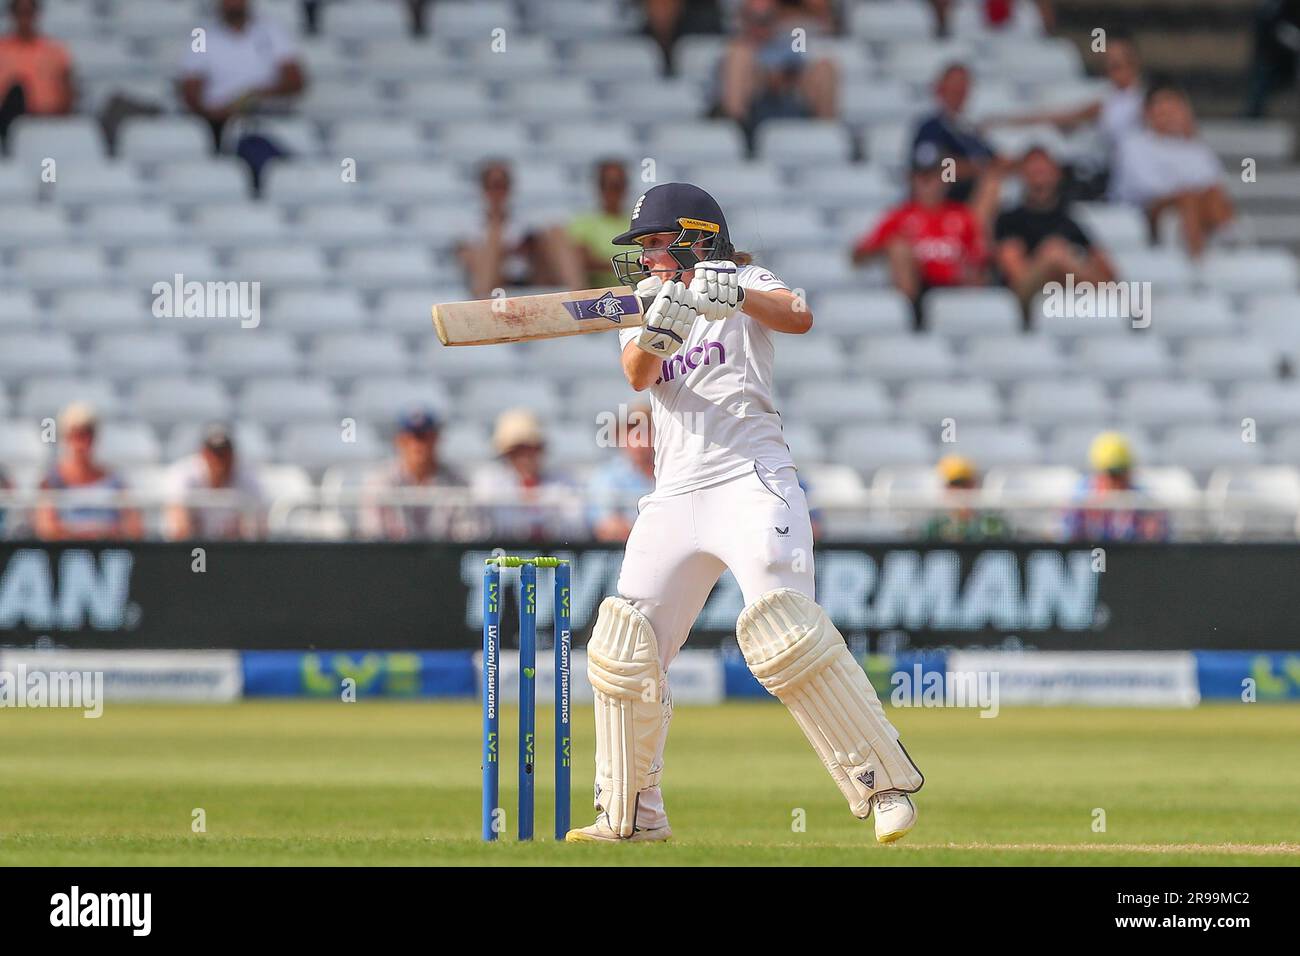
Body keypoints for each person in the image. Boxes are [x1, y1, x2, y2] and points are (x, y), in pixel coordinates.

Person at [566, 182, 923, 846]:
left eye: (656, 243)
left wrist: (732, 295)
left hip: (751, 481)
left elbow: (798, 315)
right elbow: (636, 374)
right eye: (643, 246)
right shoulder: (644, 301)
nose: (647, 257)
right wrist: (660, 328)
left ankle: (884, 786)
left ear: (697, 238)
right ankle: (632, 815)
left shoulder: (748, 280)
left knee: (786, 634)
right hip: (674, 495)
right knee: (624, 649)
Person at [982, 34, 1145, 196]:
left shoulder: (1145, 98)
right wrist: (1005, 121)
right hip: (1107, 170)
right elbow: (1057, 117)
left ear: (1134, 61)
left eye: (1120, 61)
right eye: (1109, 61)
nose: (1113, 66)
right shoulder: (1107, 100)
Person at [851, 153, 993, 327]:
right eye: (922, 177)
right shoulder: (899, 216)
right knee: (898, 248)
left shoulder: (961, 215)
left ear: (943, 180)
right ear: (913, 180)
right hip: (918, 289)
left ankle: (972, 322)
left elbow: (981, 255)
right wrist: (891, 250)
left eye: (933, 177)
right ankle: (911, 320)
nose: (927, 184)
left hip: (955, 288)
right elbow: (859, 254)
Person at [1109, 82, 1235, 258]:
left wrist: (1188, 188)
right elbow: (1146, 187)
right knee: (1187, 198)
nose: (1169, 117)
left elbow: (1214, 181)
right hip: (1144, 211)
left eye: (1174, 111)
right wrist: (1183, 189)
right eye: (1163, 112)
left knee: (1213, 194)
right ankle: (1197, 259)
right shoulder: (1133, 144)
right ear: (1148, 113)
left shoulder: (1194, 147)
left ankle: (1228, 250)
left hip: (1193, 202)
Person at [994, 145, 1116, 308]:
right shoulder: (1010, 220)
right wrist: (1051, 261)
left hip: (1067, 297)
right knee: (1055, 252)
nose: (1039, 178)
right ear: (1023, 175)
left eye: (1043, 171)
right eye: (1034, 172)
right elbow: (1016, 275)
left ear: (1057, 175)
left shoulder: (1070, 222)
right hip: (1028, 299)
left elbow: (1107, 270)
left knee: (1058, 253)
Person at [177, 0, 305, 150]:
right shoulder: (201, 36)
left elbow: (295, 81)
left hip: (268, 115)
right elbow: (190, 88)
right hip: (220, 122)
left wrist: (255, 96)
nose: (233, 3)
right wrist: (214, 114)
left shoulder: (271, 30)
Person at [457, 160, 585, 299]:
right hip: (495, 281)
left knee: (556, 232)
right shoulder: (470, 225)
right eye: (494, 186)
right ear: (484, 189)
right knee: (492, 242)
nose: (498, 192)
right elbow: (468, 260)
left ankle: (579, 297)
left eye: (503, 186)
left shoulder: (523, 219)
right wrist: (501, 246)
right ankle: (483, 299)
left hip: (530, 276)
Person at [718, 0, 838, 131]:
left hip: (788, 101)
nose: (759, 26)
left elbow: (797, 72)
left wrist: (781, 78)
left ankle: (825, 134)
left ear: (775, 20)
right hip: (752, 110)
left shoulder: (787, 45)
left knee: (825, 68)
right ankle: (735, 133)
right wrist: (765, 77)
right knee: (739, 57)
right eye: (754, 18)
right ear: (744, 20)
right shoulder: (734, 49)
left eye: (766, 19)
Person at [359, 408, 473, 541]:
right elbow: (373, 537)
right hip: (393, 554)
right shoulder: (379, 481)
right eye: (412, 437)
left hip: (445, 554)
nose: (418, 445)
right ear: (399, 441)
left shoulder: (458, 482)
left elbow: (467, 534)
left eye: (425, 437)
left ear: (436, 439)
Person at [471, 408, 584, 542]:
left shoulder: (563, 483)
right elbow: (482, 528)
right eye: (518, 449)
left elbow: (575, 527)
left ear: (540, 448)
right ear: (507, 453)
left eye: (531, 447)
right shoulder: (488, 482)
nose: (526, 456)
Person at [34, 403, 142, 541]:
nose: (81, 443)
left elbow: (134, 527)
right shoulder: (51, 480)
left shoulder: (115, 480)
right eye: (75, 435)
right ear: (65, 437)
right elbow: (47, 529)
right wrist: (91, 534)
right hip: (67, 550)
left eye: (86, 435)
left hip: (110, 549)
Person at [911, 62, 999, 202]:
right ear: (940, 89)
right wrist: (976, 168)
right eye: (954, 88)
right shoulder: (930, 128)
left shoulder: (968, 131)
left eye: (963, 88)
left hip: (968, 199)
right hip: (944, 201)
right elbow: (938, 172)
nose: (959, 93)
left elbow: (994, 160)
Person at [1063, 431, 1169, 542]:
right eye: (1111, 474)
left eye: (1121, 473)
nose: (1117, 482)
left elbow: (1160, 535)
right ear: (1098, 473)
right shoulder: (1079, 500)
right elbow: (1067, 537)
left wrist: (1151, 531)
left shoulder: (1142, 501)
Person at [164, 424, 264, 540]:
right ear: (204, 454)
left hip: (232, 548)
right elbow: (178, 529)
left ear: (232, 454)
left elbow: (260, 530)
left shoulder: (248, 477)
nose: (219, 461)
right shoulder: (183, 474)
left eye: (224, 453)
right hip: (195, 549)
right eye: (215, 454)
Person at [0, 0, 74, 146]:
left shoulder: (54, 50)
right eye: (20, 13)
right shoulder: (2, 49)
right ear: (12, 15)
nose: (24, 19)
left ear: (36, 14)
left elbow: (68, 90)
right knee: (16, 92)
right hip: (9, 120)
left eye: (28, 13)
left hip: (46, 118)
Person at [586, 402, 655, 542]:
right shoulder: (606, 476)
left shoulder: (670, 474)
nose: (638, 439)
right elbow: (606, 527)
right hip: (618, 554)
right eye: (632, 431)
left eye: (644, 431)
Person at [567, 160, 631, 289]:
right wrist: (632, 267)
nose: (614, 191)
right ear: (599, 187)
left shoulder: (638, 220)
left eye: (619, 184)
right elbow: (583, 261)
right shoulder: (584, 222)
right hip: (599, 293)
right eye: (609, 184)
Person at [921, 455, 1009, 541]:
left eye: (966, 484)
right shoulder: (935, 527)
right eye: (955, 484)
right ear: (945, 488)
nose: (961, 490)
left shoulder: (991, 525)